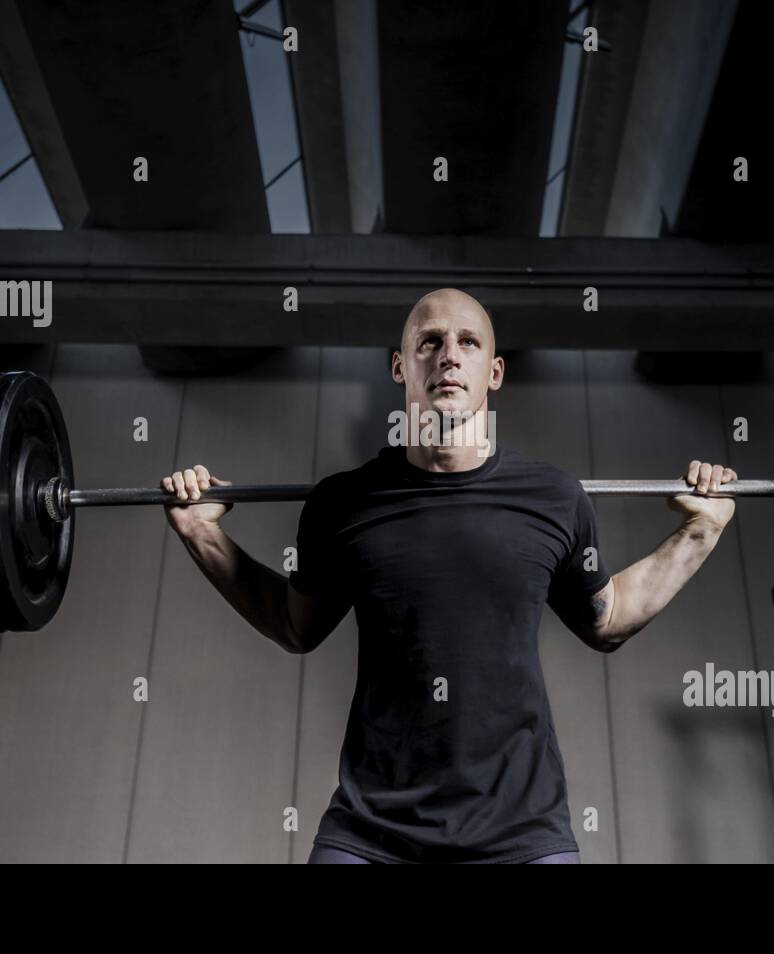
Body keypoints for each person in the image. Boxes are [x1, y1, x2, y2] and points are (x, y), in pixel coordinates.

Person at [161, 288, 737, 863]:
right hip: (372, 831)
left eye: (468, 342)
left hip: (521, 830)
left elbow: (606, 618)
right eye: (429, 342)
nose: (449, 356)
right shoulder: (342, 504)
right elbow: (294, 625)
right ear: (400, 365)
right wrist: (201, 534)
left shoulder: (555, 499)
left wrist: (700, 531)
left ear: (495, 371)